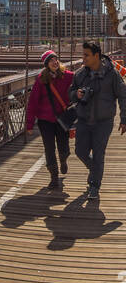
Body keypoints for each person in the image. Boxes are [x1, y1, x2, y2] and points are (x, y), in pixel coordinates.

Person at [74, 40, 123, 202]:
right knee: (80, 151)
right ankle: (94, 170)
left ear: (96, 56)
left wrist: (124, 119)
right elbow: (70, 92)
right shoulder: (80, 74)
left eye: (86, 55)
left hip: (103, 121)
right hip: (84, 119)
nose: (83, 58)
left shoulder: (112, 74)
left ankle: (94, 185)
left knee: (98, 154)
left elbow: (123, 96)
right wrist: (76, 94)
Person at [31, 49, 77, 190]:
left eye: (55, 59)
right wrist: (29, 124)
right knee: (49, 149)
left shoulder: (67, 76)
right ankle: (54, 177)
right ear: (46, 65)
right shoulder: (41, 79)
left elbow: (80, 80)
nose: (54, 62)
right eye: (51, 61)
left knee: (64, 147)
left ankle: (63, 159)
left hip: (62, 119)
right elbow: (33, 102)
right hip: (45, 120)